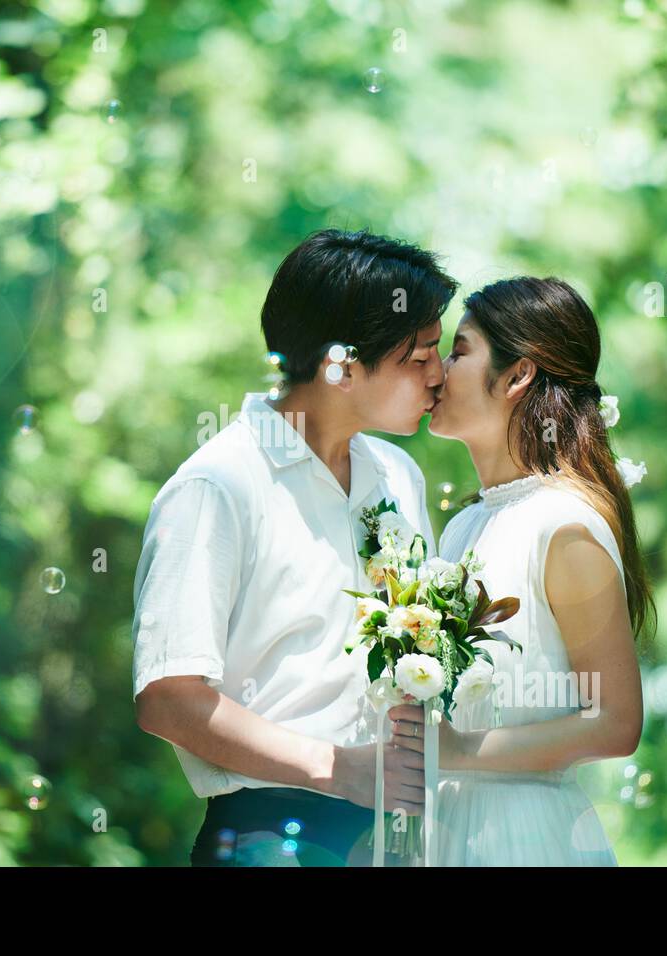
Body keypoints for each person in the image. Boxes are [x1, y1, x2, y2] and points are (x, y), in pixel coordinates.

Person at [131, 229, 456, 865]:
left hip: (397, 837)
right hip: (269, 837)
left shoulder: (397, 475)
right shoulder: (219, 484)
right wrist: (340, 770)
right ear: (340, 365)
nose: (438, 377)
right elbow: (167, 697)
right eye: (417, 358)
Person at [388, 276, 650, 865]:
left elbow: (615, 723)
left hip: (524, 837)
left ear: (516, 376)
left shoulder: (563, 523)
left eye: (458, 351)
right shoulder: (463, 526)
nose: (437, 372)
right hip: (447, 829)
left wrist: (457, 751)